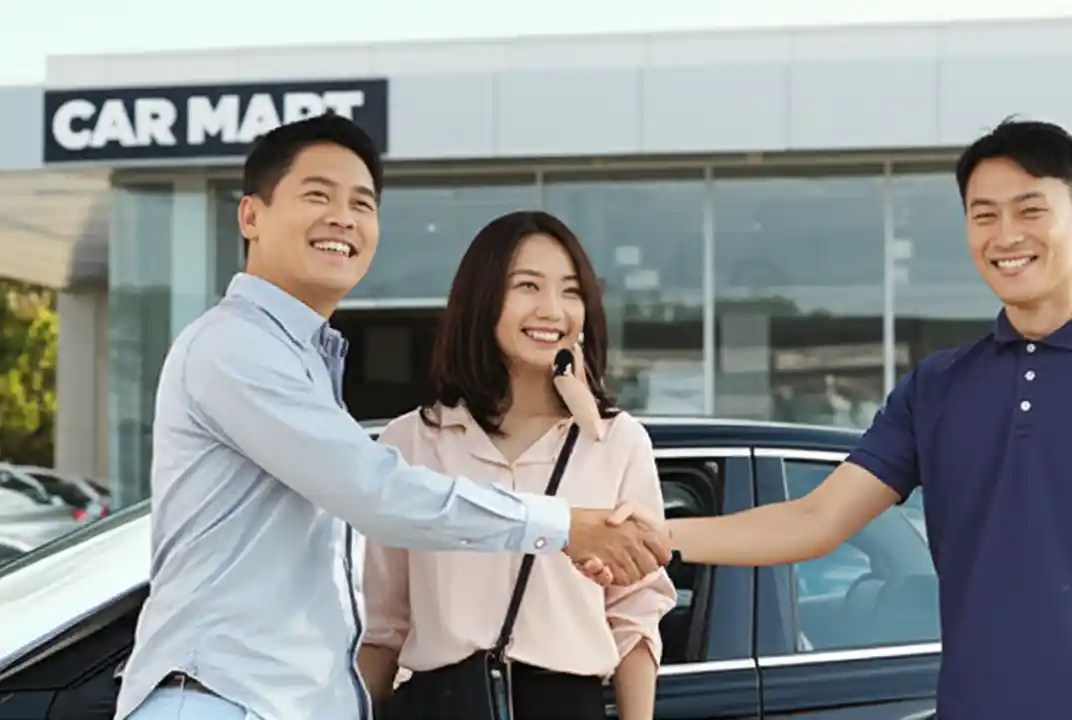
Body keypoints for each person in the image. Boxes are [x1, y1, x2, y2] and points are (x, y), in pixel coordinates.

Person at [612, 119, 1072, 719]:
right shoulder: (938, 387)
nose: (1006, 235)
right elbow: (813, 519)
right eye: (983, 214)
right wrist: (654, 537)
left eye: (1030, 210)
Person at [114, 115, 669, 720]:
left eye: (362, 203)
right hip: (229, 699)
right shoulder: (239, 352)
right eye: (318, 195)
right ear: (251, 216)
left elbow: (637, 610)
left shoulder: (307, 363)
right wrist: (565, 524)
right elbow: (377, 512)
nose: (343, 218)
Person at [356, 210, 676, 720]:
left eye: (571, 291)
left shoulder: (617, 443)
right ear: (481, 300)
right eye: (528, 285)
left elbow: (635, 616)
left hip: (566, 703)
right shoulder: (413, 441)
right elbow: (382, 625)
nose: (552, 309)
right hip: (441, 703)